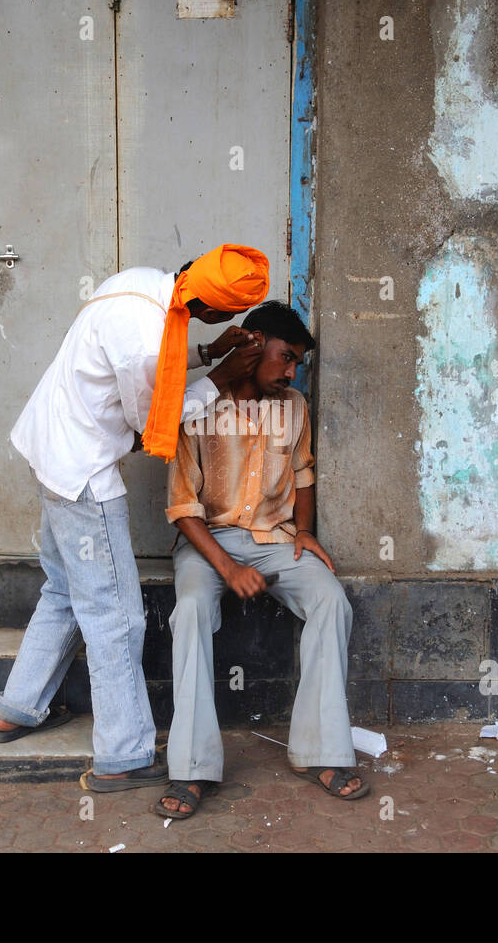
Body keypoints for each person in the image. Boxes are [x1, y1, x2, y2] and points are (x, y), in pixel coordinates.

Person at [0, 244, 270, 792]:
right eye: (219, 320)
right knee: (117, 617)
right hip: (83, 474)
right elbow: (151, 426)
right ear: (209, 306)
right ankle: (123, 755)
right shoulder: (146, 337)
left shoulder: (142, 282)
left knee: (67, 591)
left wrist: (208, 351)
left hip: (49, 450)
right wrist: (221, 378)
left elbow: (153, 360)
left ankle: (17, 709)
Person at [154, 301, 367, 819]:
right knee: (191, 612)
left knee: (331, 602)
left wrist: (308, 533)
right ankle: (192, 767)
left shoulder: (294, 405)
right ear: (252, 346)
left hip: (274, 539)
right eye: (287, 357)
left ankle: (322, 751)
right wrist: (228, 569)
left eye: (297, 364)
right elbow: (183, 508)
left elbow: (302, 472)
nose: (292, 372)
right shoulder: (199, 406)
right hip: (208, 545)